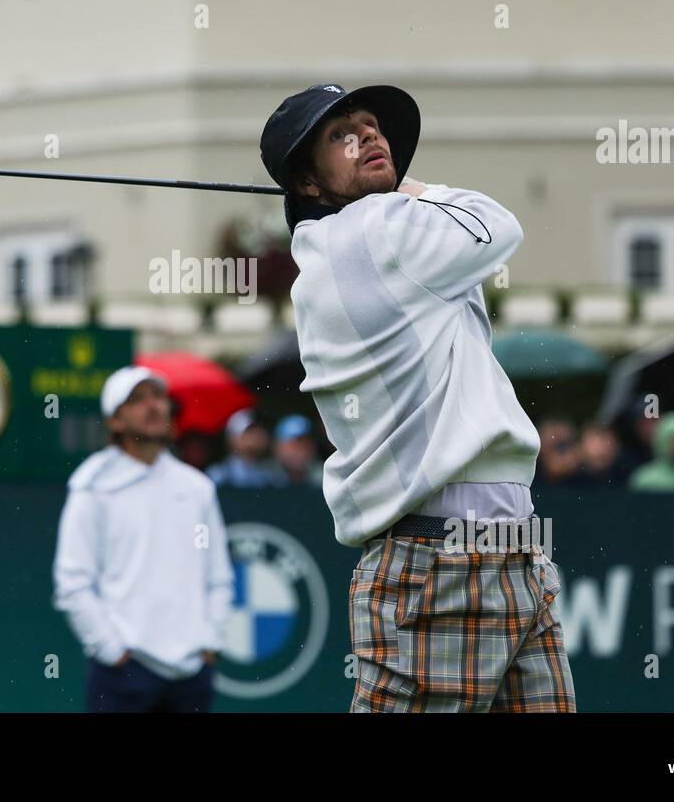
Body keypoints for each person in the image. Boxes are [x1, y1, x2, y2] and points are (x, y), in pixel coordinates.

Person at [263, 82, 574, 712]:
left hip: (501, 554)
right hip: (444, 561)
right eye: (340, 135)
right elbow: (498, 226)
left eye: (371, 125)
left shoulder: (363, 238)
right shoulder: (374, 229)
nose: (368, 136)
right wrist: (408, 186)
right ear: (307, 183)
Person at [52, 365, 235, 712]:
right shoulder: (91, 487)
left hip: (191, 676)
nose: (153, 406)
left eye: (158, 396)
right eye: (137, 400)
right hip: (123, 674)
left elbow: (219, 576)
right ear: (115, 421)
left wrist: (209, 641)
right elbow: (73, 582)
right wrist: (113, 651)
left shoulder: (197, 488)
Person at [206, 408, 280, 488]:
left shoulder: (271, 474)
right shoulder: (217, 474)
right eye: (248, 432)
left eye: (257, 431)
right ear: (232, 439)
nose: (255, 437)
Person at [270, 414, 324, 487]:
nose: (301, 449)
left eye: (306, 443)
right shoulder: (262, 477)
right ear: (277, 447)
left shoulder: (326, 476)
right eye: (293, 444)